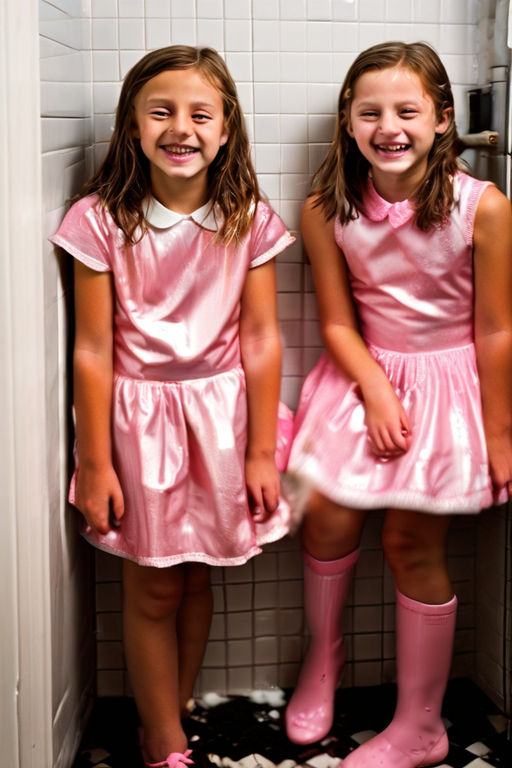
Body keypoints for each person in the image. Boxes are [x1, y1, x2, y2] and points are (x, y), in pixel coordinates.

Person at [50, 46, 294, 768]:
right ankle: (163, 743)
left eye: (199, 114)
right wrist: (94, 463)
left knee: (194, 575)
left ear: (225, 131)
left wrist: (257, 450)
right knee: (153, 586)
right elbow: (92, 350)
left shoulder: (244, 216)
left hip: (221, 421)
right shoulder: (100, 221)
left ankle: (172, 708)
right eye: (161, 111)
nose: (180, 127)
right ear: (131, 126)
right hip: (141, 425)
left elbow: (261, 338)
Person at [284, 41, 512, 767]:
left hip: (449, 386)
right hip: (362, 373)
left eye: (407, 110)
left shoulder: (486, 207)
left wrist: (501, 431)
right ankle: (324, 657)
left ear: (443, 120)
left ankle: (420, 724)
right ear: (348, 123)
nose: (389, 125)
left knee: (410, 543)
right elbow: (336, 322)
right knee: (324, 509)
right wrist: (376, 389)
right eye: (370, 111)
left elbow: (498, 328)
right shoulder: (327, 208)